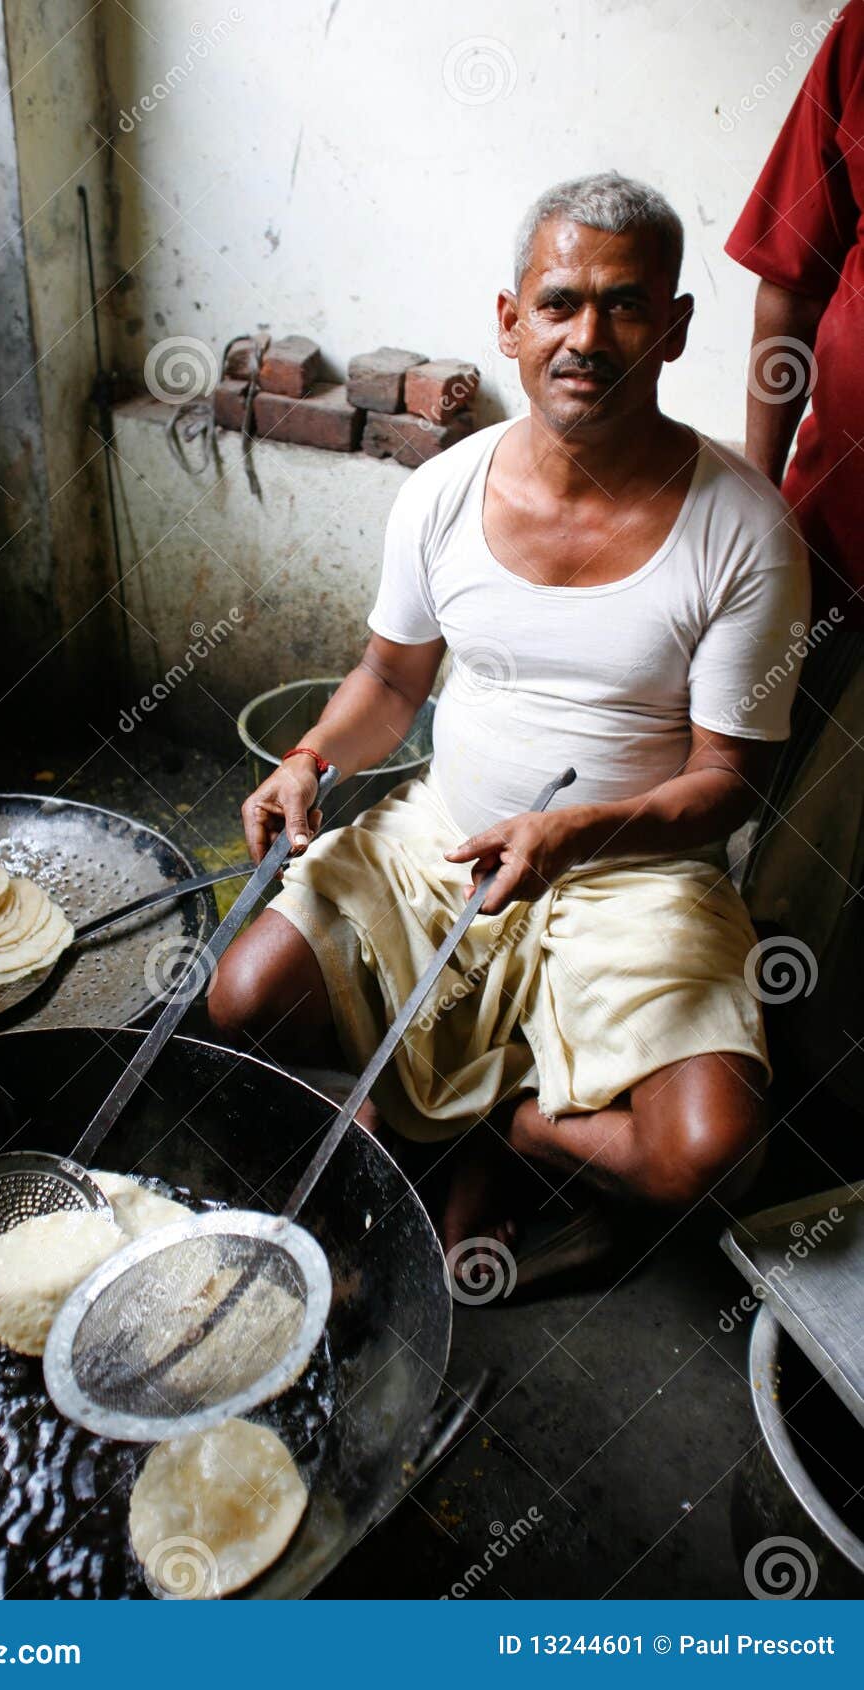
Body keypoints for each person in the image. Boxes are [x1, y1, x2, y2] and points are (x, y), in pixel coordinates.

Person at [207, 172, 810, 1263]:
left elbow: (730, 780)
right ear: (508, 320)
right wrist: (306, 759)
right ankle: (466, 1095)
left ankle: (509, 1125)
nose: (586, 336)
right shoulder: (443, 492)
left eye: (624, 305)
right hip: (444, 840)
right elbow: (389, 685)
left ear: (671, 330)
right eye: (558, 303)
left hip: (636, 875)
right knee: (238, 1000)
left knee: (706, 1156)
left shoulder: (745, 528)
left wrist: (573, 834)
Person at [725, 1, 864, 1110]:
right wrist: (757, 499)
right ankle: (776, 1117)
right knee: (789, 876)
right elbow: (792, 272)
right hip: (838, 531)